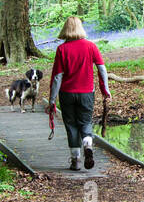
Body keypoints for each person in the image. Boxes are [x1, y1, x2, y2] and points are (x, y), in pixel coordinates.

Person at [47, 16, 111, 170]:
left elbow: (57, 77)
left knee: (71, 125)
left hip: (67, 93)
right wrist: (105, 90)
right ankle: (88, 144)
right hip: (86, 93)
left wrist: (52, 99)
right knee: (85, 122)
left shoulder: (62, 49)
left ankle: (76, 161)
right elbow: (101, 68)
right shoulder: (91, 46)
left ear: (65, 29)